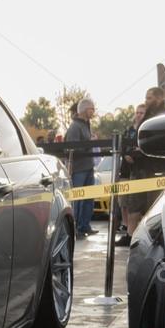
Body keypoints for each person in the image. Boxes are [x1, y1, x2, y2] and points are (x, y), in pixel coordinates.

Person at [124, 88, 165, 236]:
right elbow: (137, 139)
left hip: (158, 171)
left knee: (154, 211)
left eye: (149, 98)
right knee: (134, 208)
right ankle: (131, 239)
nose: (146, 101)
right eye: (146, 98)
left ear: (159, 98)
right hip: (139, 170)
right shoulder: (146, 118)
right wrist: (130, 153)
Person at [65, 98, 97, 237]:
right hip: (79, 169)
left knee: (89, 198)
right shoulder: (75, 127)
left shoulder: (86, 125)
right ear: (84, 110)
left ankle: (84, 226)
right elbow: (72, 149)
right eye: (92, 109)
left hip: (88, 167)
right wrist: (90, 143)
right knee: (77, 199)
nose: (93, 112)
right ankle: (75, 228)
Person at [116, 104, 147, 247]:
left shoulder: (146, 130)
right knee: (124, 201)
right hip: (126, 170)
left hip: (140, 171)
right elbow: (120, 147)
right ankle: (125, 226)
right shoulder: (128, 131)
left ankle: (135, 232)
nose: (139, 114)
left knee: (135, 204)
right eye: (137, 112)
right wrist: (126, 154)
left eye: (142, 112)